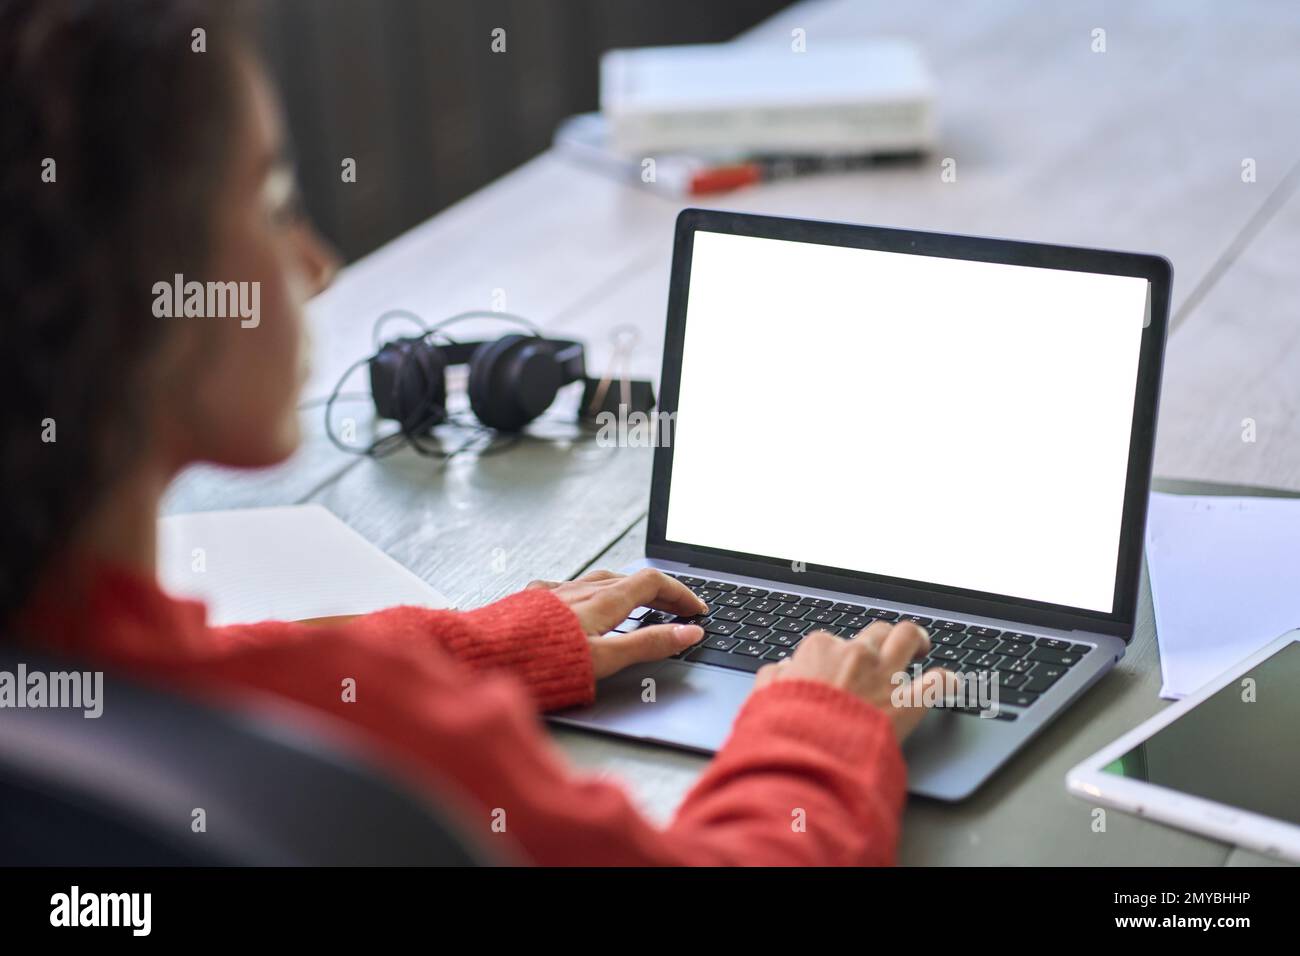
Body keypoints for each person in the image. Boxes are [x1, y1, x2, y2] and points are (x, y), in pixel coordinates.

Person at [2, 0, 954, 865]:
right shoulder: (402, 755)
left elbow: (182, 670)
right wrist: (819, 728)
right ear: (136, 293)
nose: (318, 265)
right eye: (273, 202)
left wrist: (478, 647)